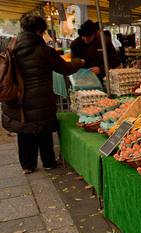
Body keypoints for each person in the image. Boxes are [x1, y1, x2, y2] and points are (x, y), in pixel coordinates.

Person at [1, 15, 85, 174]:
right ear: (39, 31)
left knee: (23, 131)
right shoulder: (45, 51)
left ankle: (27, 165)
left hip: (17, 98)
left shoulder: (10, 46)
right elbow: (65, 69)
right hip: (41, 100)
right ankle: (48, 163)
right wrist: (79, 62)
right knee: (43, 130)